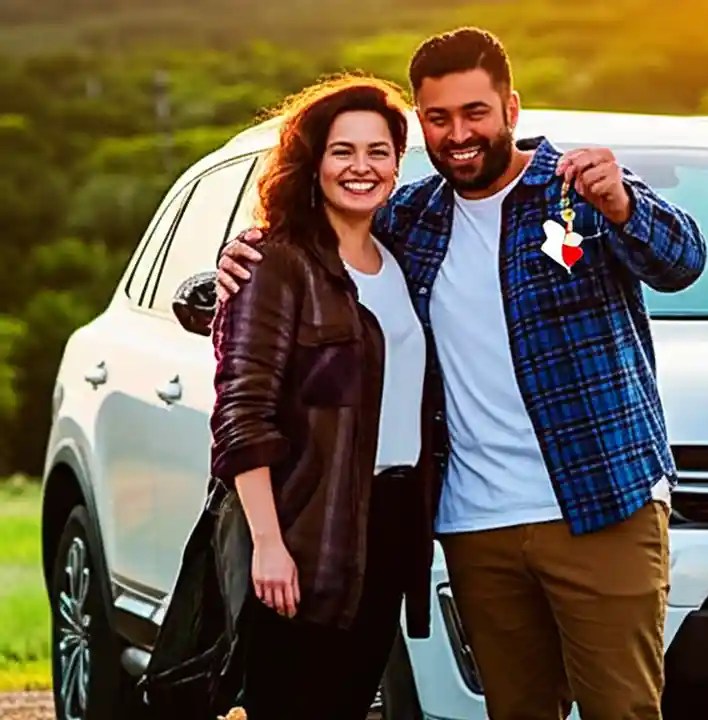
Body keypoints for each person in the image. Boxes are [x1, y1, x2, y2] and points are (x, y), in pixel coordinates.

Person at [216, 26, 707, 719]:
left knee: (621, 709)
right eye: (438, 118)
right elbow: (317, 258)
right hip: (476, 521)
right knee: (514, 710)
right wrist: (233, 261)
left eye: (475, 112)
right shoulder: (411, 219)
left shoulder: (579, 191)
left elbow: (682, 261)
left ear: (511, 108)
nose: (458, 134)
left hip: (600, 505)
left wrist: (625, 204)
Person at [208, 74, 438, 719]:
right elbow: (241, 413)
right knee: (293, 702)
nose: (361, 167)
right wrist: (269, 544)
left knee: (348, 699)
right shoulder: (277, 263)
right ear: (313, 162)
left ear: (397, 162)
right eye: (343, 151)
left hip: (389, 519)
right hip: (307, 521)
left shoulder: (399, 262)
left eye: (378, 151)